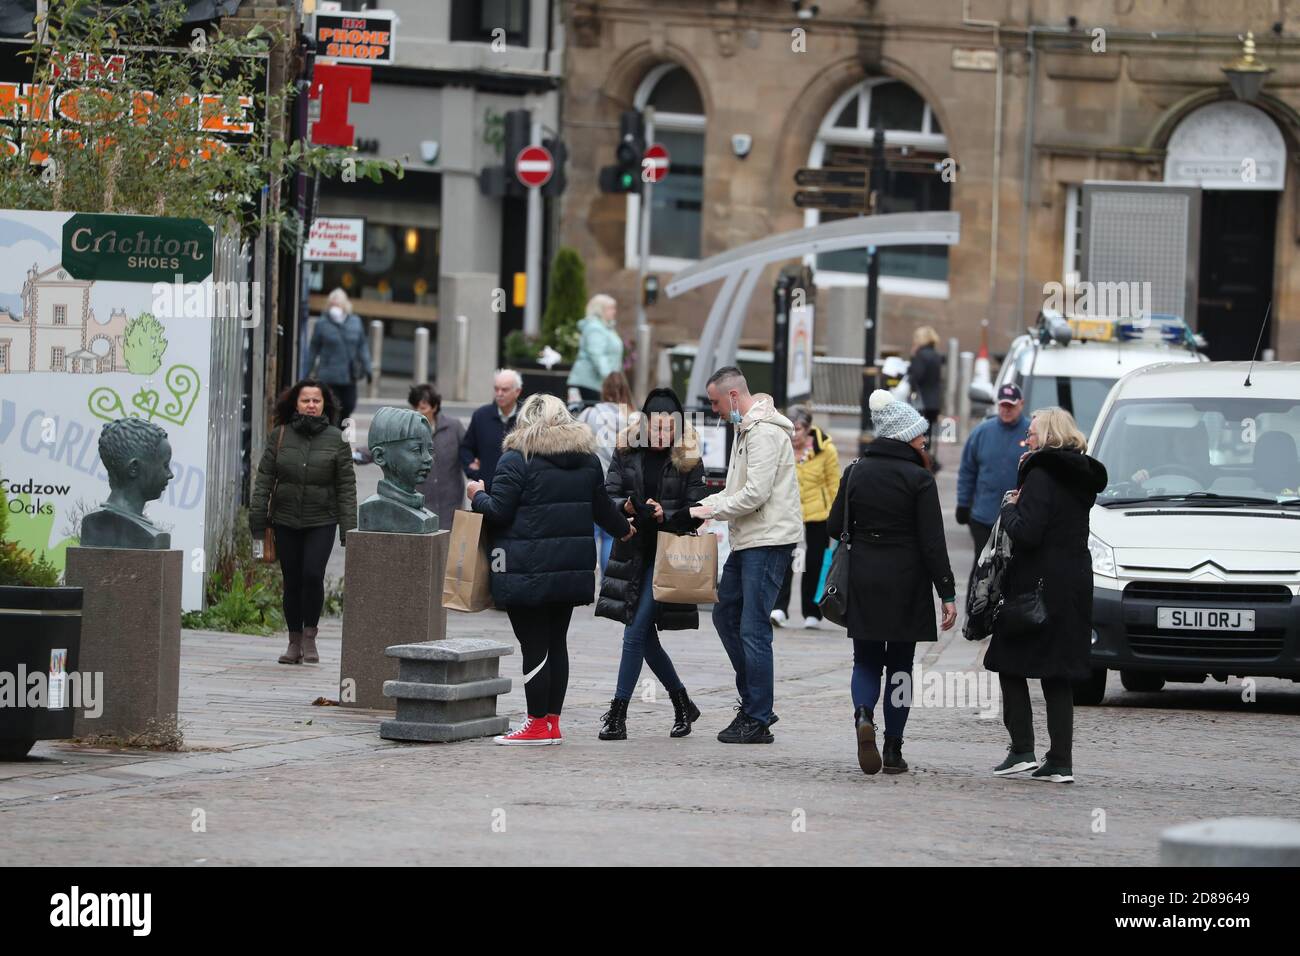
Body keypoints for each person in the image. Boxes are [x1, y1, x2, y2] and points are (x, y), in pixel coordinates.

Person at [468, 394, 633, 746]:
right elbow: (602, 509)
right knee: (556, 643)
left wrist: (476, 494)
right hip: (569, 571)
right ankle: (551, 722)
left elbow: (498, 511)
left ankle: (536, 723)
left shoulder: (516, 459)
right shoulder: (586, 461)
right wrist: (625, 529)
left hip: (525, 570)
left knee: (533, 645)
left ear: (526, 419)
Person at [829, 390, 957, 776]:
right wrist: (947, 593)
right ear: (904, 437)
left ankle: (864, 715)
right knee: (900, 666)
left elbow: (835, 527)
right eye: (919, 435)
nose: (923, 441)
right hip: (908, 581)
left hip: (864, 576)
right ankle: (893, 749)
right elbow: (933, 542)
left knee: (865, 659)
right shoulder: (920, 479)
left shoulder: (855, 471)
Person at [986, 407, 1107, 784]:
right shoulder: (1079, 474)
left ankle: (1022, 750)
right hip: (1073, 583)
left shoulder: (1041, 474)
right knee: (1058, 674)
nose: (1027, 439)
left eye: (1033, 433)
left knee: (1006, 661)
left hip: (1036, 585)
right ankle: (1060, 761)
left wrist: (1008, 507)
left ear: (1049, 435)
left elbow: (1028, 532)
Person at [689, 367, 803, 744]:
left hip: (768, 541)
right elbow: (737, 489)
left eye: (716, 402)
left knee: (753, 627)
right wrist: (700, 506)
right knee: (726, 615)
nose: (714, 409)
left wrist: (709, 511)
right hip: (750, 538)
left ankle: (757, 715)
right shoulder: (747, 430)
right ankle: (755, 702)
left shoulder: (764, 433)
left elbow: (755, 493)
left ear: (734, 396)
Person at [595, 387, 707, 740]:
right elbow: (606, 496)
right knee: (645, 639)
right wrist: (625, 507)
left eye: (668, 429)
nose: (661, 436)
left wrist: (667, 514)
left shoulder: (689, 458)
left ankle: (617, 715)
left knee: (634, 632)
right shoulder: (625, 451)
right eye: (655, 428)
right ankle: (682, 703)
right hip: (633, 552)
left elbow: (698, 510)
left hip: (669, 557)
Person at [250, 379, 357, 666]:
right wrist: (258, 523)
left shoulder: (338, 438)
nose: (311, 405)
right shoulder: (280, 435)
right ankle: (294, 641)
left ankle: (310, 636)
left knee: (312, 575)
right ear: (295, 404)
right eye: (305, 400)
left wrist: (349, 531)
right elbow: (264, 480)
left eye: (316, 400)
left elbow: (346, 486)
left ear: (325, 405)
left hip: (322, 519)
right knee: (292, 581)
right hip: (285, 519)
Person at [772, 406, 840, 630]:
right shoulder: (779, 446)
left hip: (818, 514)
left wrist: (836, 514)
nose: (794, 434)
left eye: (798, 429)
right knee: (784, 559)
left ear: (808, 429)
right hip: (786, 511)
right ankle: (779, 608)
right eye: (789, 428)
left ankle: (812, 611)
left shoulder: (825, 449)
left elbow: (834, 484)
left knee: (814, 562)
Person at [957, 383, 1029, 565]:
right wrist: (963, 503)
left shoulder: (1031, 433)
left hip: (1018, 519)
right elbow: (968, 470)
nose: (1006, 410)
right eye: (1003, 405)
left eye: (1011, 406)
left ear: (1021, 404)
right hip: (984, 516)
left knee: (1011, 570)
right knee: (982, 566)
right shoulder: (982, 432)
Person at [579, 371, 636, 572]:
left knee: (591, 532)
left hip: (590, 481)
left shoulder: (589, 413)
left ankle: (586, 577)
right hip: (620, 484)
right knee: (611, 533)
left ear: (604, 390)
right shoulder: (632, 417)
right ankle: (606, 581)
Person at [305, 288, 371, 424]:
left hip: (348, 376)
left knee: (348, 406)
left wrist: (368, 368)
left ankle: (340, 436)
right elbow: (313, 349)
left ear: (345, 305)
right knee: (331, 409)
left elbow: (362, 346)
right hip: (328, 375)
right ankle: (332, 437)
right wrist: (305, 372)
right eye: (332, 304)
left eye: (338, 304)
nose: (335, 307)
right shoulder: (322, 324)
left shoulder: (355, 322)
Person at [408, 383, 468, 525]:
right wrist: (358, 454)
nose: (418, 412)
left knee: (449, 543)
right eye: (415, 407)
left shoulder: (454, 427)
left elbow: (469, 452)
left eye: (422, 408)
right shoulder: (408, 429)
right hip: (421, 502)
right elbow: (388, 446)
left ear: (434, 407)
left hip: (451, 502)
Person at [460, 368, 522, 490]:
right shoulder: (481, 415)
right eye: (496, 389)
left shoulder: (526, 418)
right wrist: (474, 471)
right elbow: (466, 448)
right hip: (486, 491)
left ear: (518, 391)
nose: (499, 394)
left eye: (504, 389)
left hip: (519, 492)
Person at [567, 294, 625, 402]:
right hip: (589, 384)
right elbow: (597, 355)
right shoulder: (595, 328)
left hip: (599, 384)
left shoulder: (605, 327)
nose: (614, 311)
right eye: (611, 308)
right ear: (600, 310)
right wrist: (610, 380)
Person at [909, 326, 945, 473]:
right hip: (934, 402)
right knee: (928, 437)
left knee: (916, 436)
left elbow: (916, 377)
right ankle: (929, 464)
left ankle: (924, 465)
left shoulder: (921, 355)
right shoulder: (936, 355)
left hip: (921, 401)